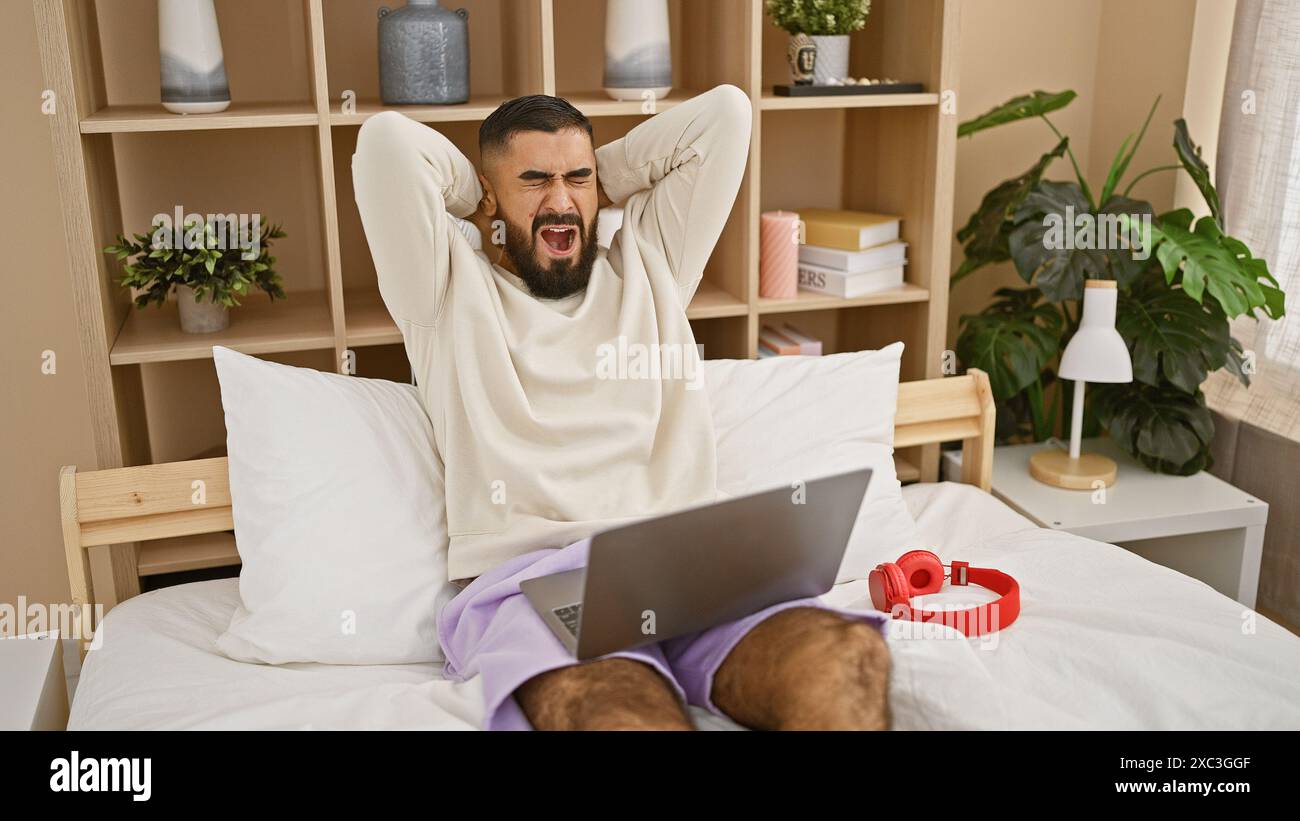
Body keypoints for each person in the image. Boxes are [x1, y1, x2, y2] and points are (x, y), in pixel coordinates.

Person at [352, 84, 890, 730]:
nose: (560, 201)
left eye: (577, 178)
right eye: (533, 181)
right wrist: (481, 198)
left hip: (690, 565)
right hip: (539, 583)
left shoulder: (651, 259)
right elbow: (387, 145)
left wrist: (594, 179)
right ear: (489, 196)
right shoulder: (443, 288)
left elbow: (726, 115)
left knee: (846, 657)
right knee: (619, 712)